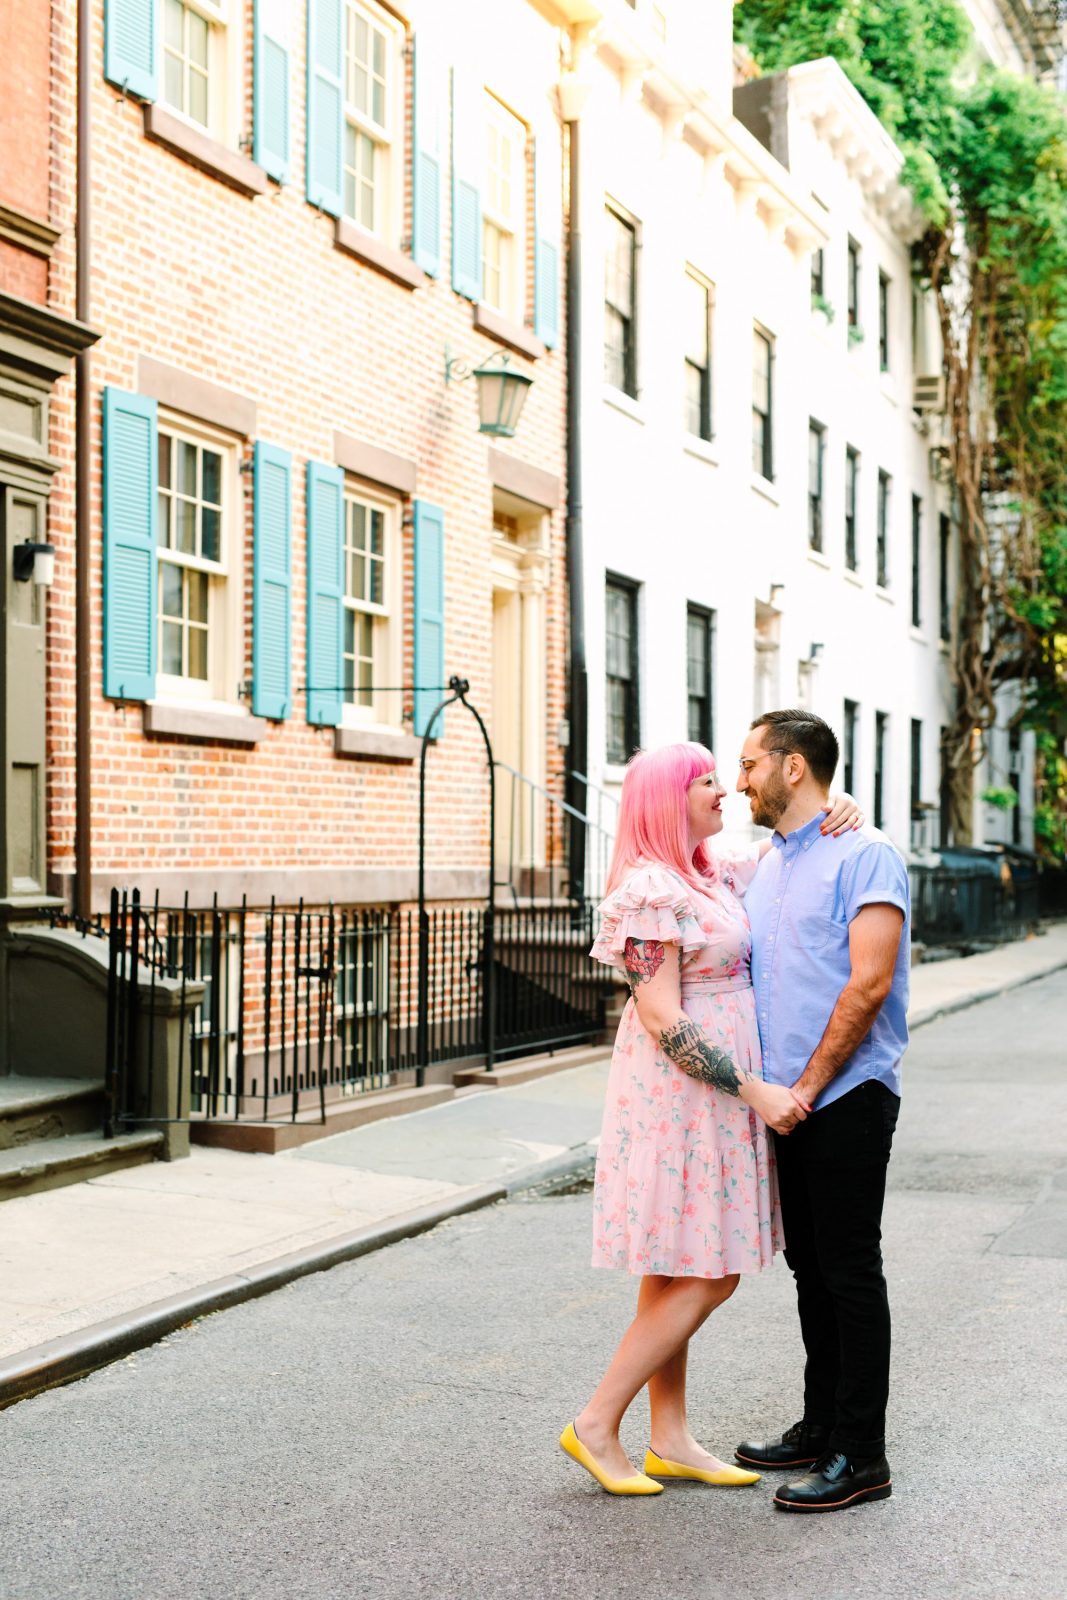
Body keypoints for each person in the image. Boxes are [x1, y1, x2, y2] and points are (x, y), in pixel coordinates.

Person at [559, 742, 861, 1496]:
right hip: (682, 1098)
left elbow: (792, 847)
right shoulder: (646, 890)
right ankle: (595, 1423)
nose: (723, 790)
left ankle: (669, 1437)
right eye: (704, 782)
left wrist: (839, 810)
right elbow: (660, 1017)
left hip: (712, 1098)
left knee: (671, 1263)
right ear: (668, 798)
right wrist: (752, 1089)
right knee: (711, 1270)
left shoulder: (710, 868)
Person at [733, 709, 910, 1513]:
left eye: (748, 765)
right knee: (810, 1270)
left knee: (846, 1271)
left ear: (792, 766)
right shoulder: (766, 862)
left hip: (843, 1093)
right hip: (785, 1102)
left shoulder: (865, 853)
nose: (739, 781)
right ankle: (819, 1427)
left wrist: (806, 1085)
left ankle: (860, 1454)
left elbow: (868, 984)